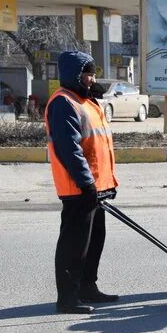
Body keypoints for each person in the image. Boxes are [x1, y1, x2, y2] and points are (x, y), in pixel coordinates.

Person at [45, 51, 119, 314]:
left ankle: (88, 287)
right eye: (88, 73)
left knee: (95, 238)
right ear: (74, 75)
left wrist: (107, 184)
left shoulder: (88, 101)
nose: (92, 78)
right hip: (78, 188)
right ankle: (68, 298)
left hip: (95, 187)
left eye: (93, 73)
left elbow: (98, 146)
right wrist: (86, 183)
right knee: (74, 243)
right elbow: (69, 149)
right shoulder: (64, 103)